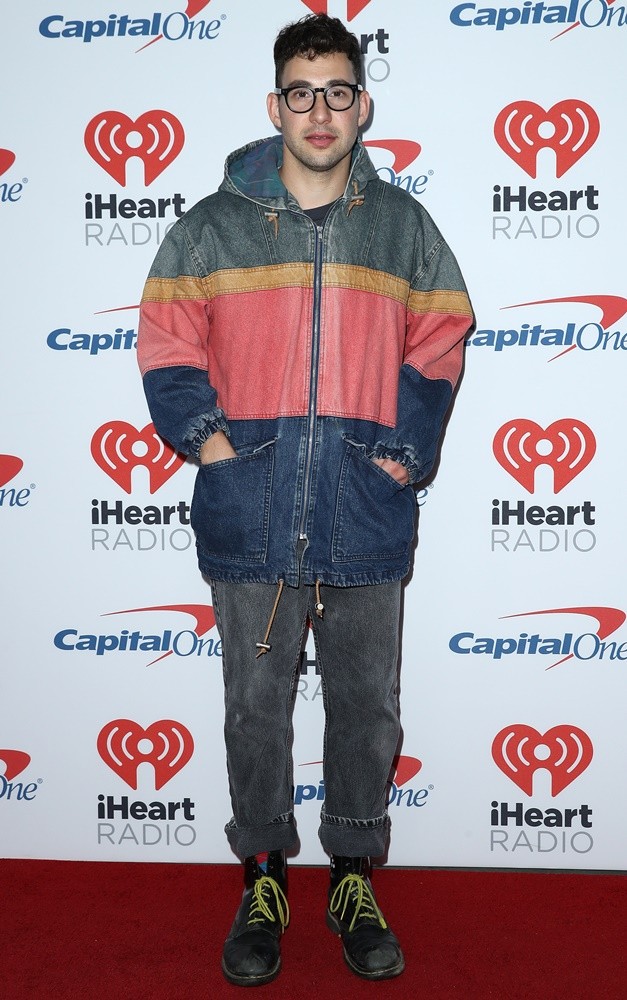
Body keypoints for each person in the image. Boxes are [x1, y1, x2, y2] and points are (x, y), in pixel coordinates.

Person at [138, 12, 473, 986]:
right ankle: (264, 876)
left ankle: (353, 875)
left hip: (364, 507)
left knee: (366, 709)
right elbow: (165, 339)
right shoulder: (211, 226)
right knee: (255, 709)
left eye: (336, 92)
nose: (319, 110)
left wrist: (402, 454)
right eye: (300, 92)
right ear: (274, 105)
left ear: (362, 105)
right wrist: (213, 447)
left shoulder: (403, 226)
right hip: (250, 510)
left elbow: (442, 334)